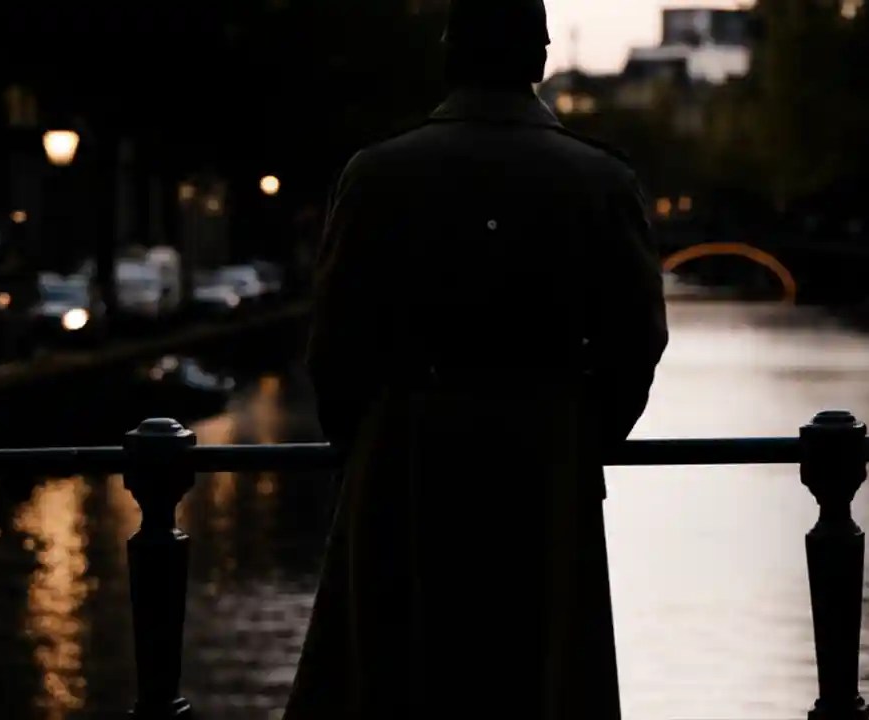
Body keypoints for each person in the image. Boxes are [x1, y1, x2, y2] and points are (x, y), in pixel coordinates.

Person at [285, 0, 669, 717]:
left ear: (448, 56)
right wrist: (580, 433)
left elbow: (334, 347)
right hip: (547, 466)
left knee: (400, 676)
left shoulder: (375, 175)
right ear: (539, 60)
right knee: (540, 677)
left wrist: (371, 441)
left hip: (405, 459)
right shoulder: (600, 180)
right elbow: (637, 343)